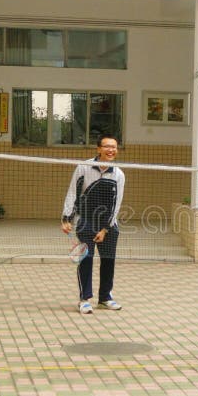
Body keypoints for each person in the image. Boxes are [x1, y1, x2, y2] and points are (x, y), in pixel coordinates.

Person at [61, 134, 126, 314]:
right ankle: (84, 299)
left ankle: (105, 298)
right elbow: (73, 193)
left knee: (108, 260)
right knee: (85, 259)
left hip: (108, 224)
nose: (111, 150)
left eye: (114, 147)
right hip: (86, 221)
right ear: (98, 149)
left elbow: (116, 204)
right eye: (107, 146)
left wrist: (105, 228)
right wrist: (66, 218)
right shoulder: (84, 167)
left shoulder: (119, 174)